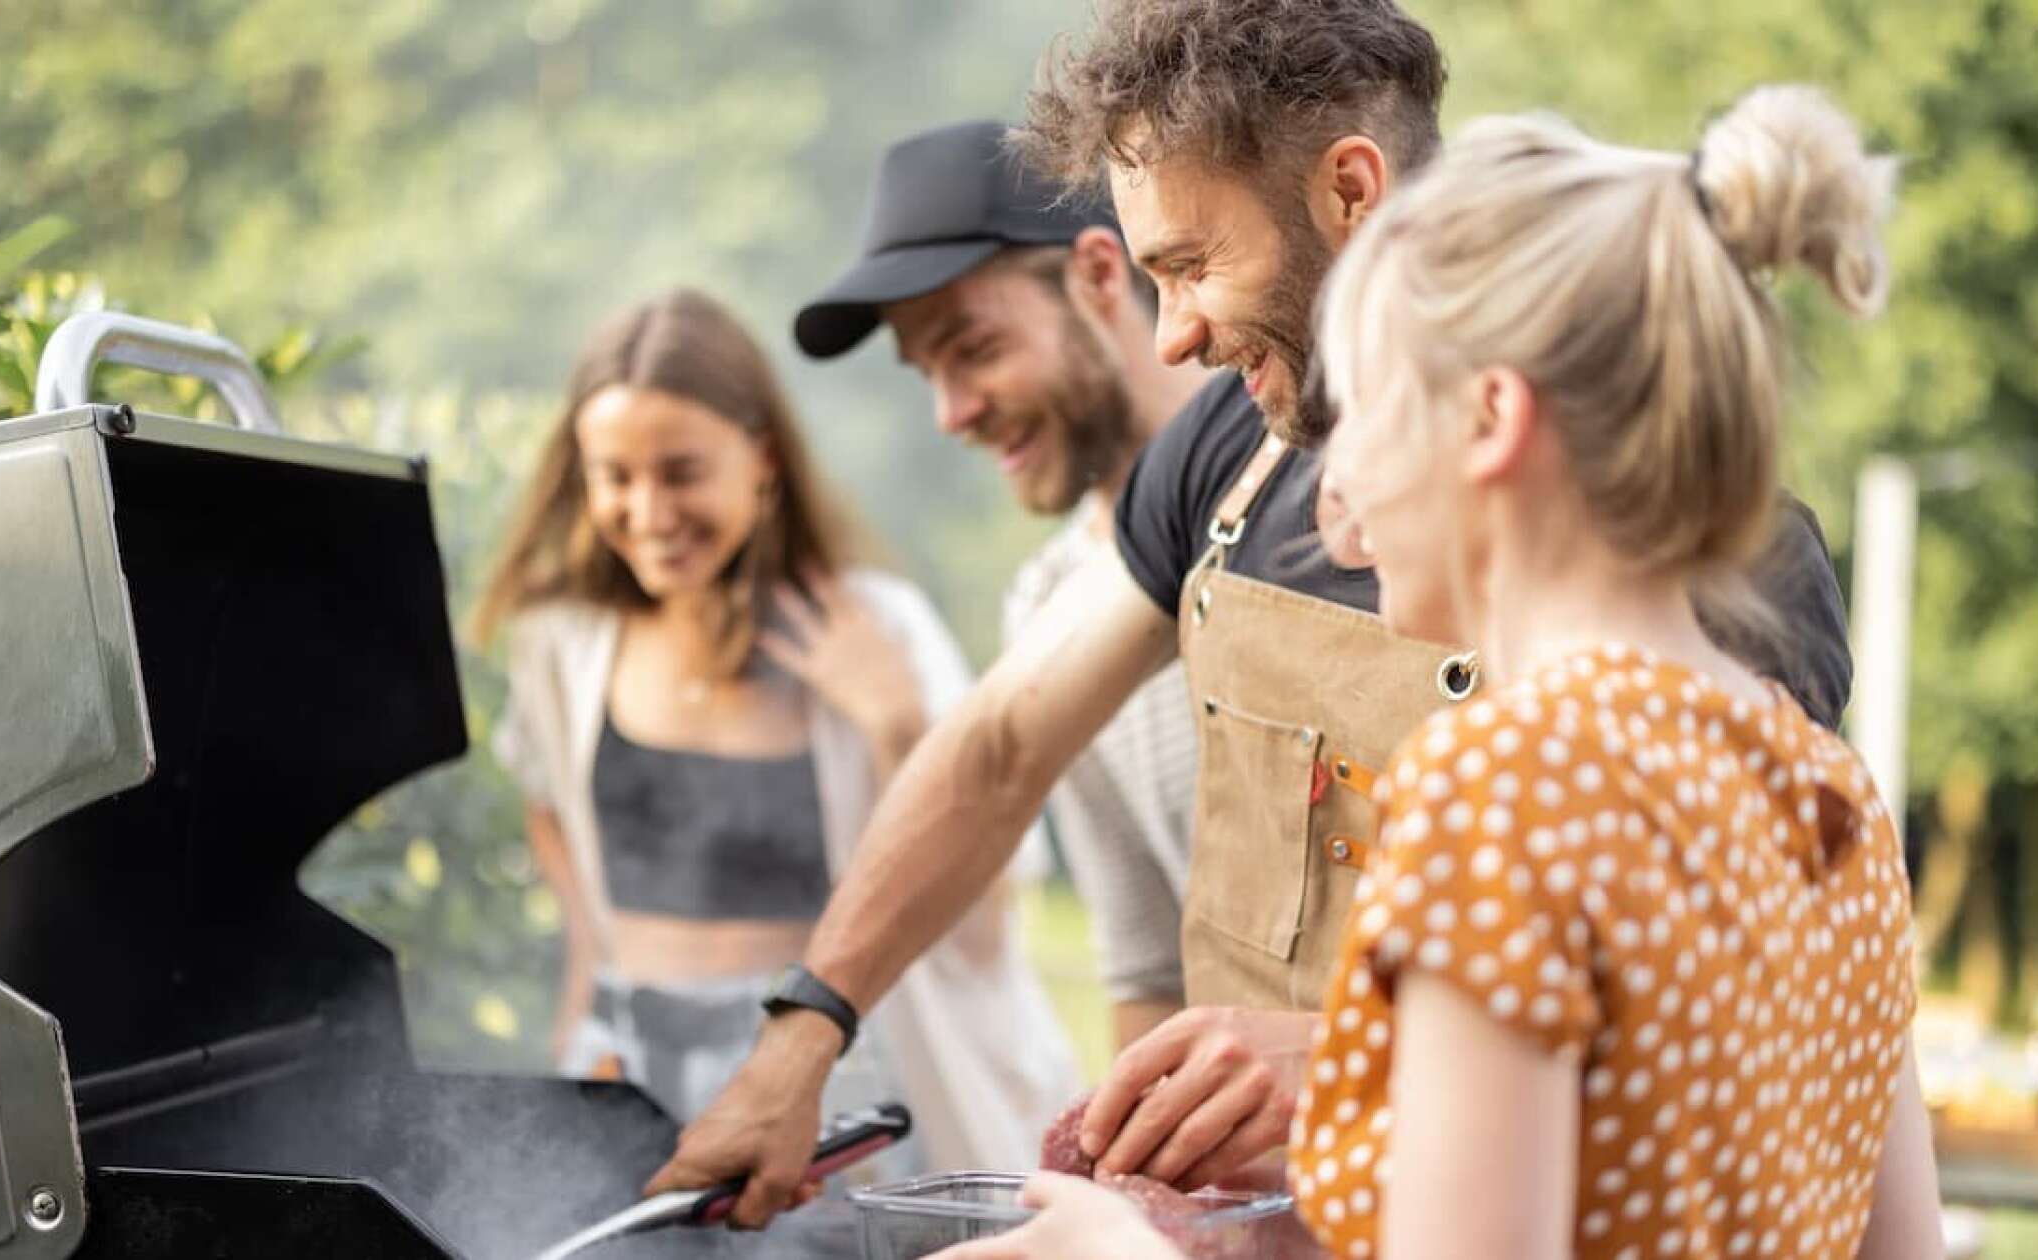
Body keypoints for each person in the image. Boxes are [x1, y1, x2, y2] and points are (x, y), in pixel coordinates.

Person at [646, 0, 1854, 1226]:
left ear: (1349, 190)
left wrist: (1343, 1070)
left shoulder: (1713, 583)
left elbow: (1723, 1057)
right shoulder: (1225, 450)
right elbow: (1001, 749)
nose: (1169, 339)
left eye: (1187, 265)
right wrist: (800, 1040)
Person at [925, 84, 1945, 1260]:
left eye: (1361, 412)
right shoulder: (1825, 795)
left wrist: (1115, 1252)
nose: (1334, 494)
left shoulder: (1500, 789)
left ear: (1489, 422)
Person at [472, 288, 1075, 1171]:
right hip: (621, 1069)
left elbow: (988, 906)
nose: (649, 511)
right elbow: (550, 809)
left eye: (680, 472)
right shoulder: (564, 644)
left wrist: (898, 722)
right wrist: (582, 983)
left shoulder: (879, 626)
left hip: (820, 1078)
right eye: (615, 476)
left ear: (761, 458)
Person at [793, 119, 1211, 1049]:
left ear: (1101, 276)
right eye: (927, 373)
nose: (951, 413)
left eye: (973, 348)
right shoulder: (1044, 604)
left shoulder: (1307, 496)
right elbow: (1148, 970)